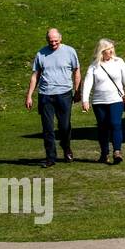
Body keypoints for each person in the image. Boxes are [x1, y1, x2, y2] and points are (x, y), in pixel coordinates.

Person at [25, 27, 81, 167]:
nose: (53, 44)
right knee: (47, 128)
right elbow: (35, 76)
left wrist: (78, 91)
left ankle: (66, 147)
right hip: (45, 95)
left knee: (64, 126)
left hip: (64, 94)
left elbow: (76, 72)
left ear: (60, 39)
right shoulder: (41, 54)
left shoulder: (70, 52)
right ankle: (50, 157)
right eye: (51, 41)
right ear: (47, 40)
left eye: (55, 41)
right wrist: (29, 95)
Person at [80, 38, 125, 165]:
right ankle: (104, 153)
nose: (112, 51)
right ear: (102, 51)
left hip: (116, 100)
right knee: (103, 127)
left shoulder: (119, 62)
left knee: (115, 124)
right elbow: (87, 83)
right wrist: (85, 100)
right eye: (109, 49)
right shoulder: (94, 66)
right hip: (99, 101)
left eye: (112, 48)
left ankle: (117, 152)